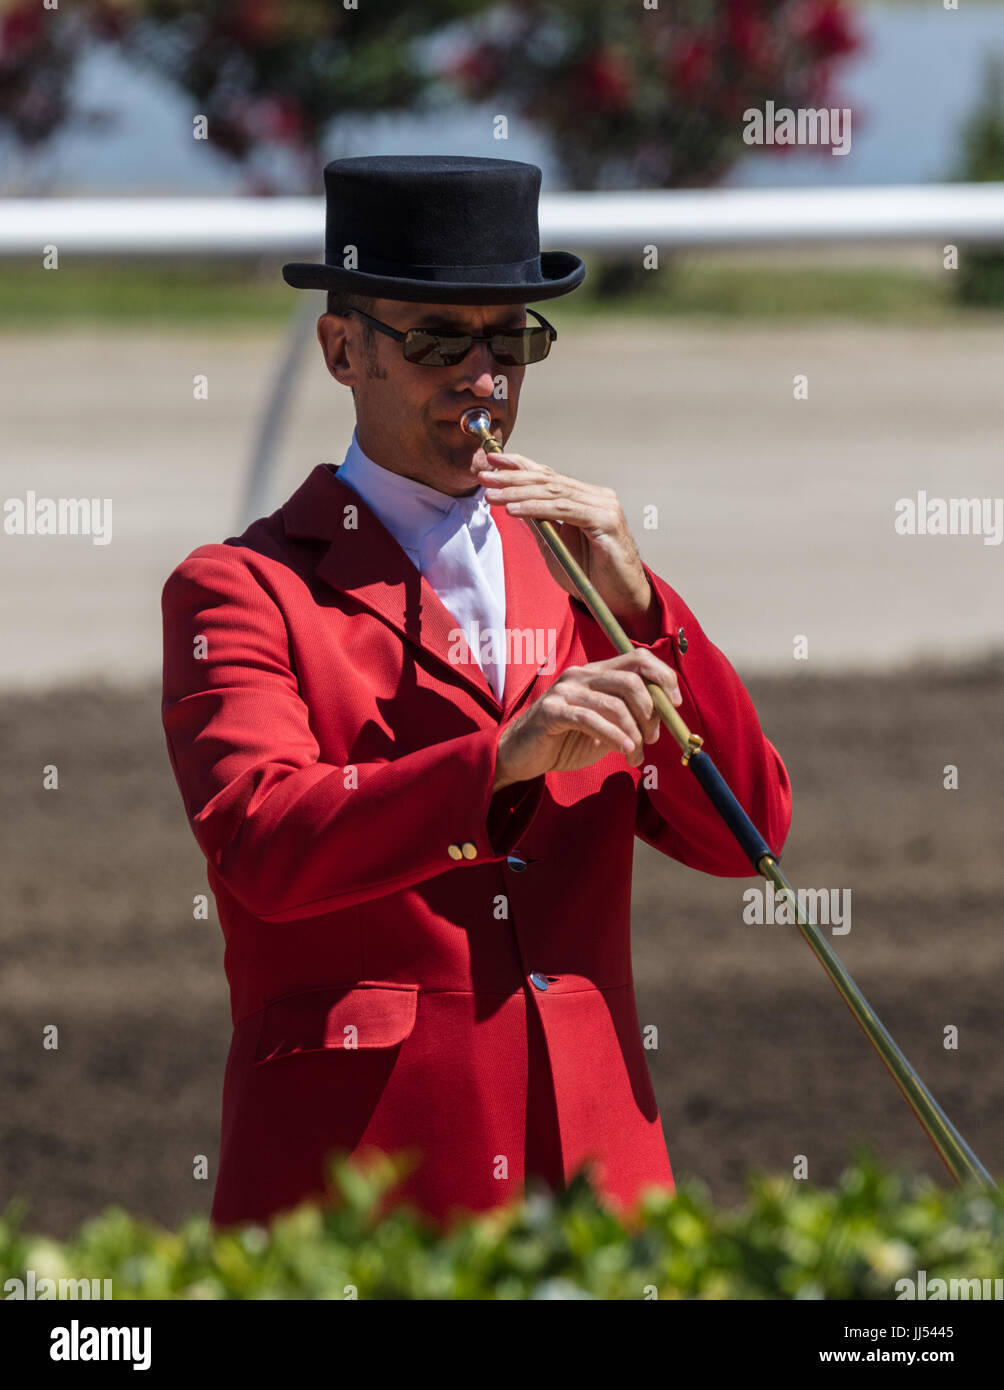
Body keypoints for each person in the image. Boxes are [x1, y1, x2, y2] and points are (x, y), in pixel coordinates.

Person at [160, 154, 792, 1229]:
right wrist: (497, 760)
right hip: (366, 1176)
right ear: (340, 348)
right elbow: (262, 840)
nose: (484, 376)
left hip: (599, 1169)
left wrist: (644, 605)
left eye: (510, 338)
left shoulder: (581, 570)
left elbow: (747, 835)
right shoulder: (240, 588)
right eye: (439, 340)